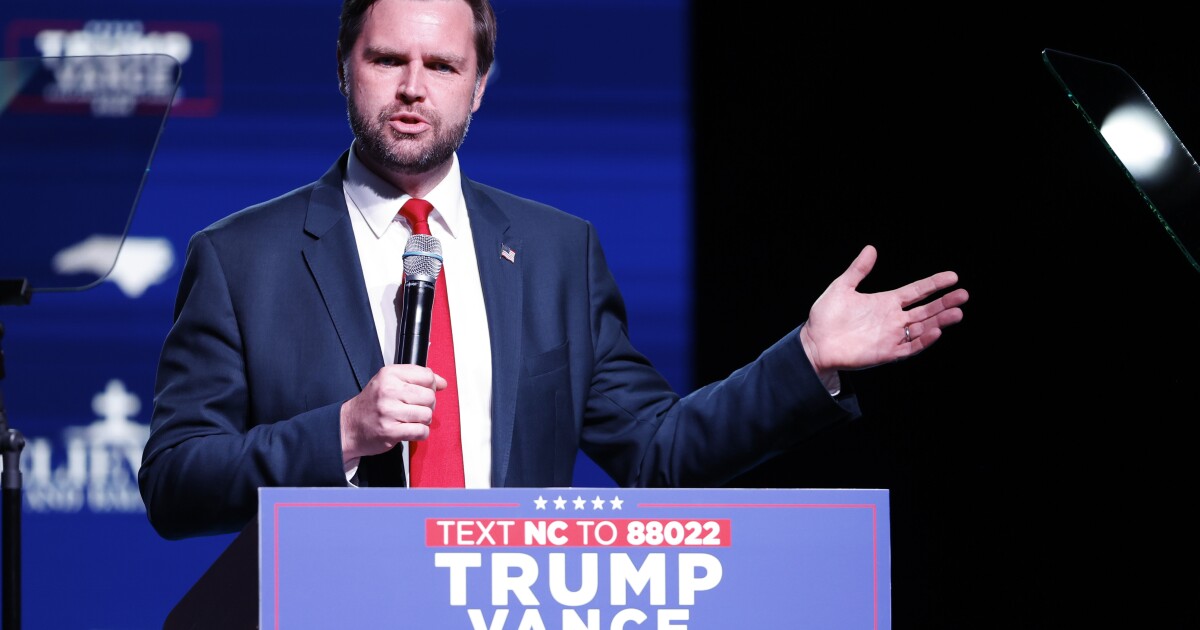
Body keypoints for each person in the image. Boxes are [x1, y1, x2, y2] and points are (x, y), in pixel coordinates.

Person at [138, 0, 968, 541]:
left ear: (480, 87)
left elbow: (659, 452)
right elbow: (176, 481)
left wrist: (807, 360)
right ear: (346, 67)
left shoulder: (557, 255)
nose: (413, 90)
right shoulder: (242, 257)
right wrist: (341, 434)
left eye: (444, 67)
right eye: (388, 60)